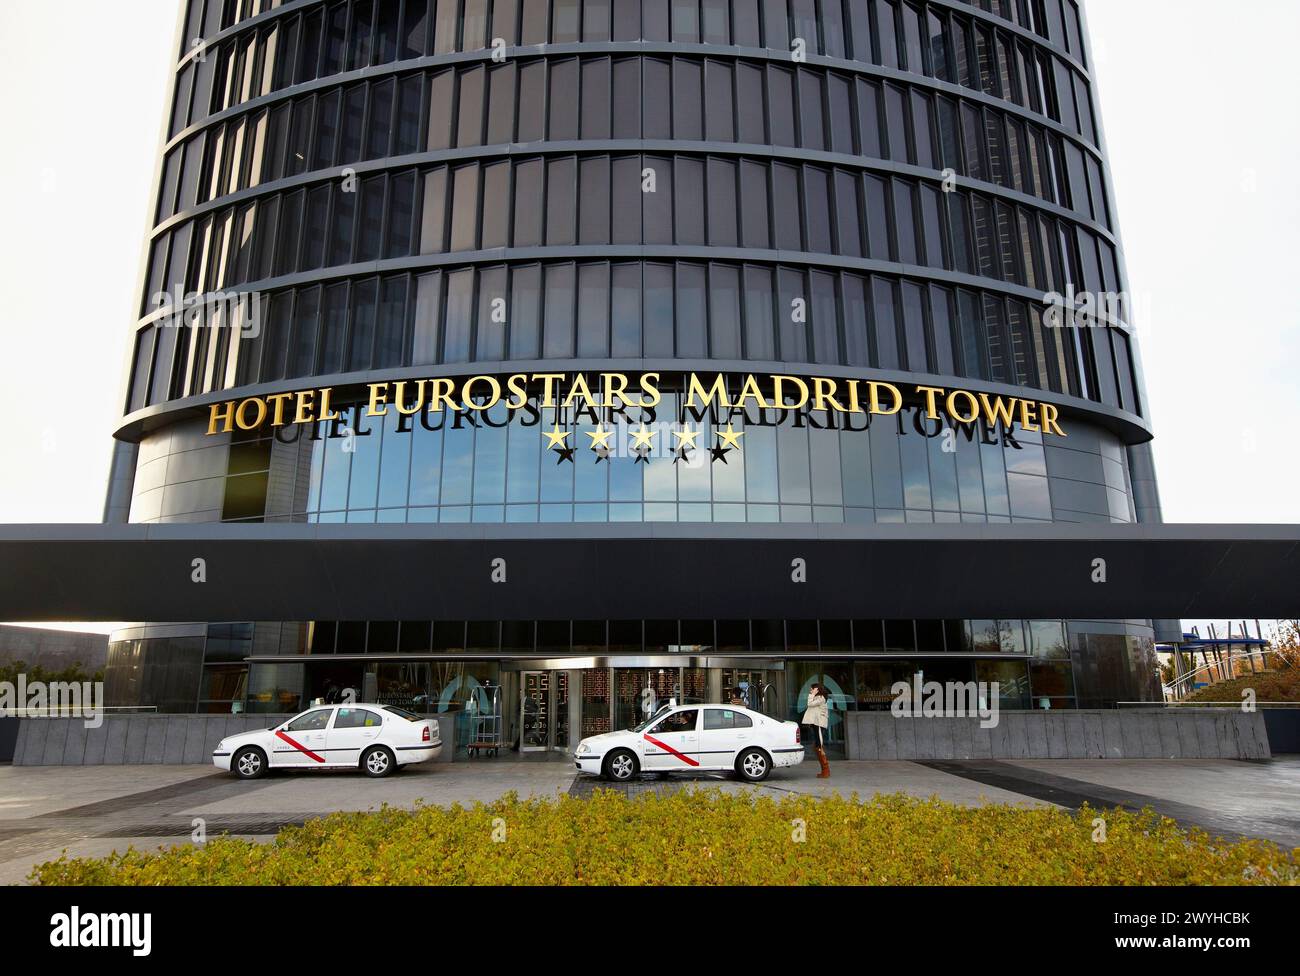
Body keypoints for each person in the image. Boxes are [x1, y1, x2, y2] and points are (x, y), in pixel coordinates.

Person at [802, 682, 831, 778]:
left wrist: (811, 695)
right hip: (816, 723)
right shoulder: (818, 698)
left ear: (817, 689)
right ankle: (824, 770)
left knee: (819, 745)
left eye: (812, 689)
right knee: (817, 745)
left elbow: (809, 704)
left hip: (819, 723)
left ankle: (825, 771)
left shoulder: (821, 698)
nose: (810, 691)